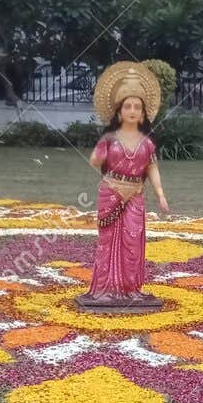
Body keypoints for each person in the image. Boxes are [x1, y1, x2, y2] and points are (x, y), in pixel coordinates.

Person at [80, 61, 169, 313]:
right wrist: (99, 154)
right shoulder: (109, 139)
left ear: (143, 113)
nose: (132, 111)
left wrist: (160, 194)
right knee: (108, 241)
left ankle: (130, 288)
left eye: (137, 107)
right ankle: (106, 289)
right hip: (110, 193)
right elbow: (94, 161)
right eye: (127, 106)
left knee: (133, 240)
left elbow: (152, 168)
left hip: (136, 195)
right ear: (119, 112)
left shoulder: (147, 143)